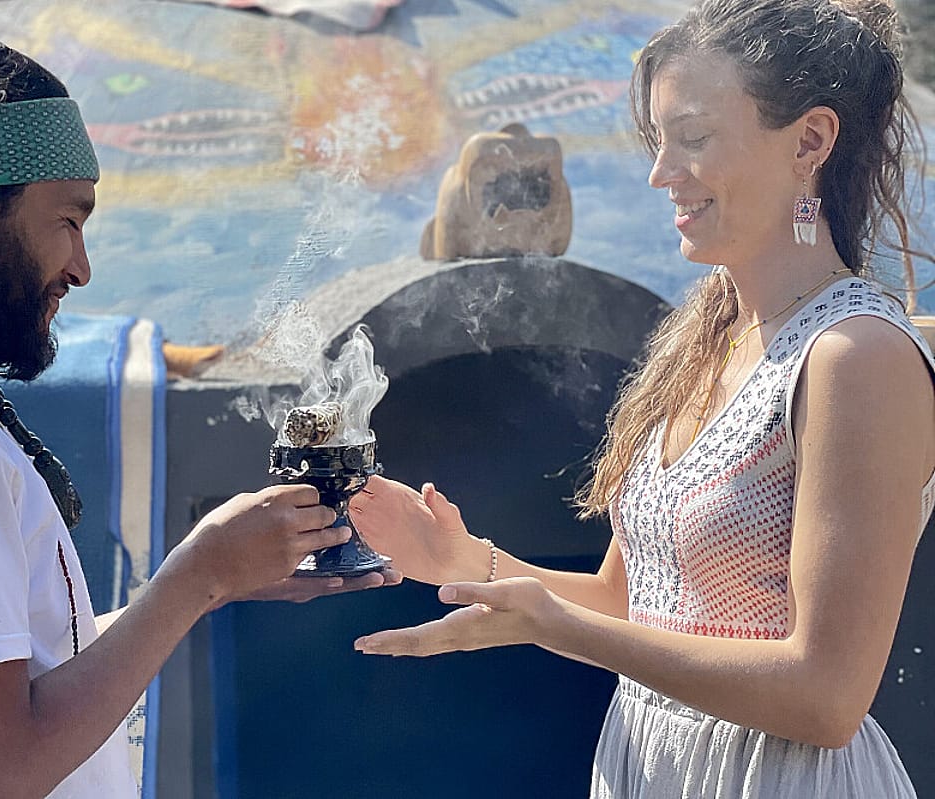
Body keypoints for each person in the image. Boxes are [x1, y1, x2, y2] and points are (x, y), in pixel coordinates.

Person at [0, 1, 397, 796]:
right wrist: (195, 576)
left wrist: (215, 581)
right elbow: (1, 765)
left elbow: (4, 686)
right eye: (67, 220)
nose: (81, 266)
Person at [349, 0, 934, 796]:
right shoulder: (699, 339)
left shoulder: (855, 356)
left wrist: (557, 627)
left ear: (810, 141)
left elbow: (826, 697)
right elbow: (633, 604)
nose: (662, 173)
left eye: (693, 139)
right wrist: (470, 562)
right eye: (660, 143)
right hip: (649, 765)